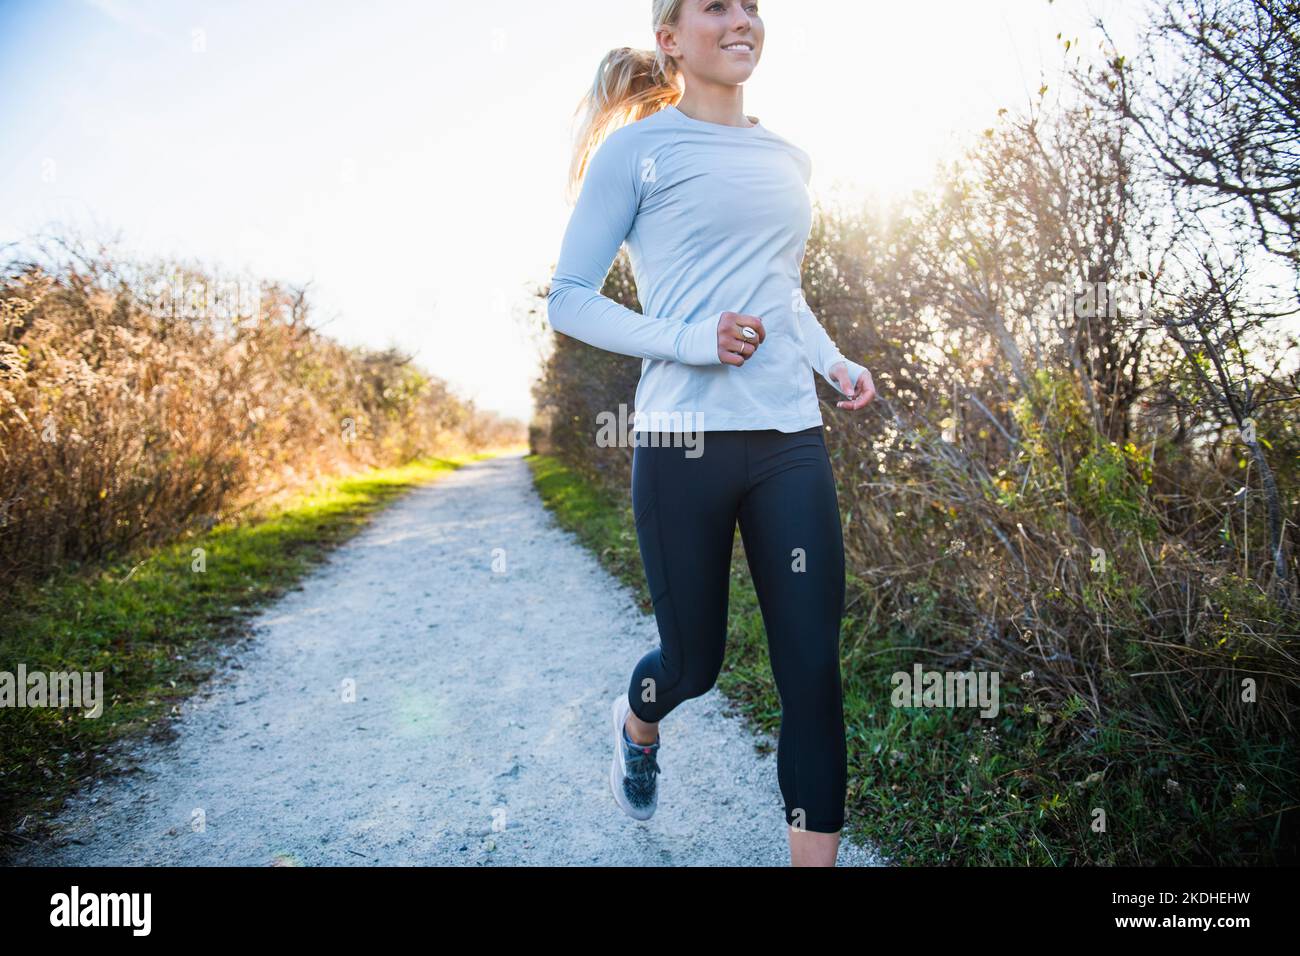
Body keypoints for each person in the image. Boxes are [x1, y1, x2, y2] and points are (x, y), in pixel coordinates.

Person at [546, 0, 877, 867]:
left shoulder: (787, 156)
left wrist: (833, 362)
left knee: (812, 673)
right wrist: (693, 339)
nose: (742, 20)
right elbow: (570, 298)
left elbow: (782, 292)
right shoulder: (636, 152)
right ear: (670, 38)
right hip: (681, 442)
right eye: (717, 6)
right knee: (694, 665)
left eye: (752, 6)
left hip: (789, 437)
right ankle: (637, 723)